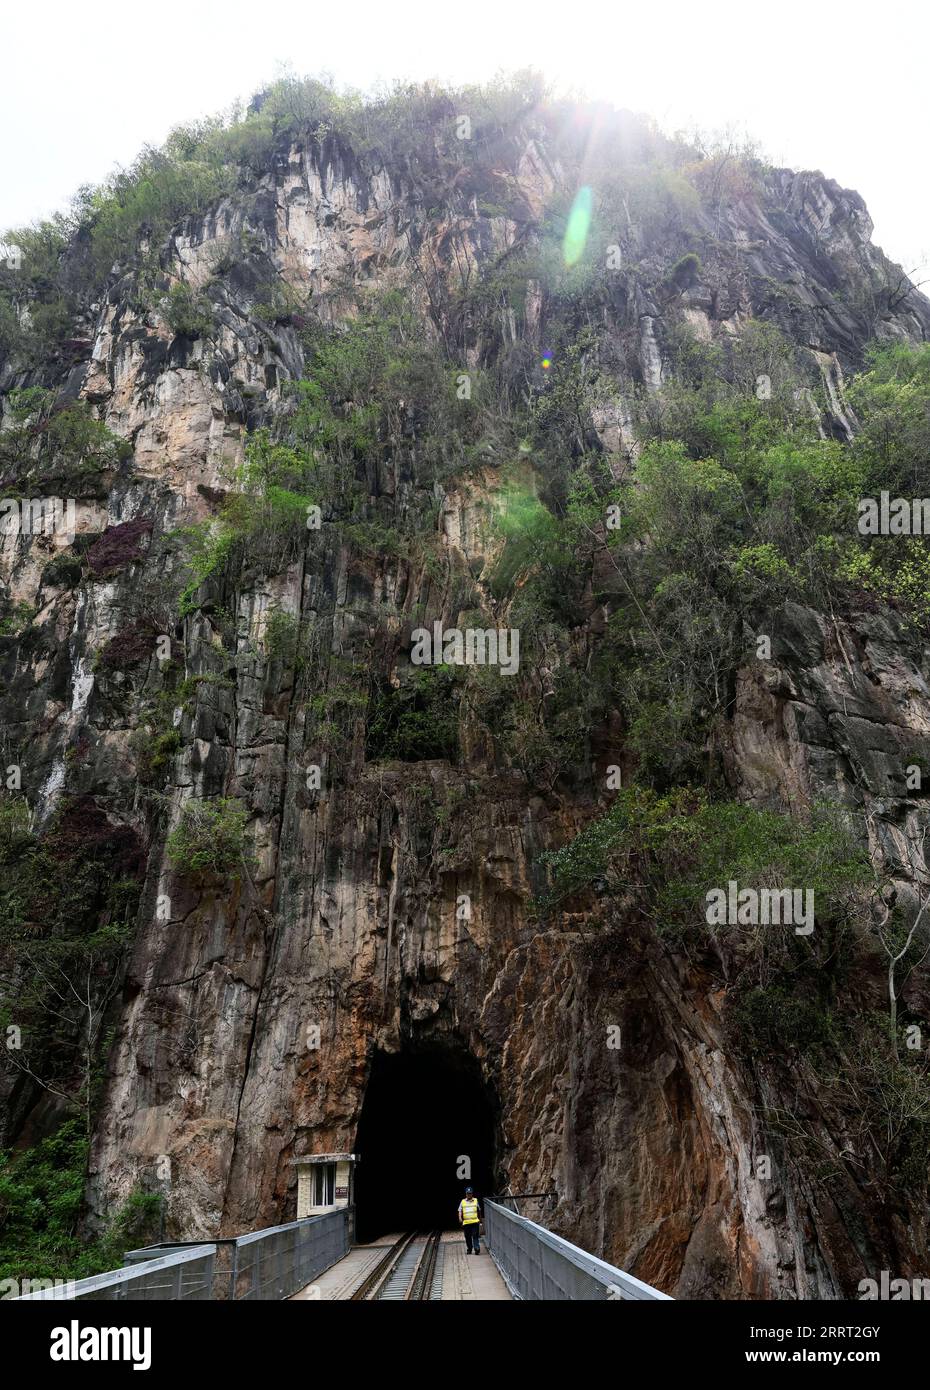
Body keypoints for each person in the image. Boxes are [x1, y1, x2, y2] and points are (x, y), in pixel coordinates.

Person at [458, 1186, 482, 1254]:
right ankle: (469, 1248)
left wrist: (480, 1220)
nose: (469, 1195)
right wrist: (460, 1217)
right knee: (467, 1237)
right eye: (468, 1193)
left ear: (472, 1194)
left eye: (470, 1193)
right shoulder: (462, 1201)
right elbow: (460, 1210)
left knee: (475, 1235)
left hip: (475, 1222)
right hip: (466, 1223)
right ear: (466, 1194)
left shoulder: (476, 1200)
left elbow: (479, 1210)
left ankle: (476, 1248)